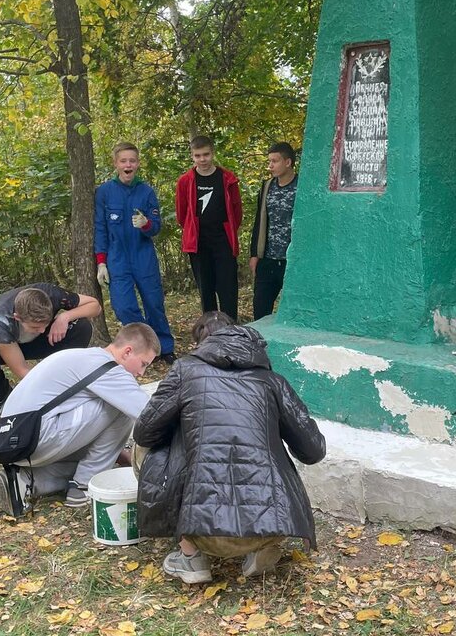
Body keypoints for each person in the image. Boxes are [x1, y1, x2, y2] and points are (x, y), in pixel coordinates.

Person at [133, 312, 326, 583]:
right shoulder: (273, 382)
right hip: (270, 524)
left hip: (202, 528)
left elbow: (143, 432)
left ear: (200, 344)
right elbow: (314, 451)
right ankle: (264, 547)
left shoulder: (185, 371)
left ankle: (190, 556)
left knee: (154, 445)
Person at [0, 322, 160, 519]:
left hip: (12, 438)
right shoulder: (108, 368)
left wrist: (121, 458)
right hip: (32, 436)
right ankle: (84, 486)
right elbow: (151, 416)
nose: (141, 373)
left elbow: (97, 435)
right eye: (144, 364)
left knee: (101, 459)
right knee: (121, 408)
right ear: (127, 351)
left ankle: (26, 482)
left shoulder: (84, 357)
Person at [0, 283, 101, 421]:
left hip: (46, 339)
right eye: (35, 326)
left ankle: (65, 373)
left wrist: (65, 317)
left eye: (44, 324)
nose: (41, 329)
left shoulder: (53, 294)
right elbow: (22, 369)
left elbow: (95, 306)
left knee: (82, 326)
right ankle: (0, 390)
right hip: (8, 345)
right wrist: (51, 392)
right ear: (17, 318)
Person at [95, 141, 175, 363]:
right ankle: (145, 345)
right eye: (123, 161)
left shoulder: (146, 191)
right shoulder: (104, 192)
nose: (128, 165)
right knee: (123, 307)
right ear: (116, 164)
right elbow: (100, 228)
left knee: (154, 303)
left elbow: (156, 227)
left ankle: (165, 348)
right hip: (117, 259)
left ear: (138, 164)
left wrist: (146, 224)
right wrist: (101, 262)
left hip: (143, 257)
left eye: (132, 160)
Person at [174, 135, 243, 320]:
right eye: (198, 156)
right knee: (206, 290)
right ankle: (211, 334)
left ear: (212, 153)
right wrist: (191, 230)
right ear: (192, 156)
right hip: (198, 243)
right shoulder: (185, 181)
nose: (202, 159)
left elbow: (236, 211)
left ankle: (231, 332)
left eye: (206, 154)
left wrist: (229, 231)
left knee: (228, 288)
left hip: (223, 241)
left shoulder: (227, 178)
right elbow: (182, 214)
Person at [249, 142, 299, 320]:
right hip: (268, 260)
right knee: (261, 310)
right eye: (269, 161)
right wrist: (255, 254)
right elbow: (259, 221)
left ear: (288, 162)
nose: (270, 166)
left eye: (275, 161)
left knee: (293, 312)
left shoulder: (301, 187)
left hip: (292, 261)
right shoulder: (267, 186)